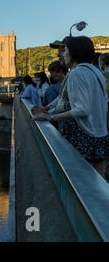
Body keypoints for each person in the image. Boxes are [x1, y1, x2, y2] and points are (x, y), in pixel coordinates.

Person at [34, 36, 108, 178]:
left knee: (83, 180)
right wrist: (47, 109)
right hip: (100, 132)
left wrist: (51, 117)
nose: (63, 53)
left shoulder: (76, 73)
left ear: (74, 52)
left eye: (65, 50)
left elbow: (82, 109)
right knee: (99, 181)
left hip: (84, 133)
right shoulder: (95, 71)